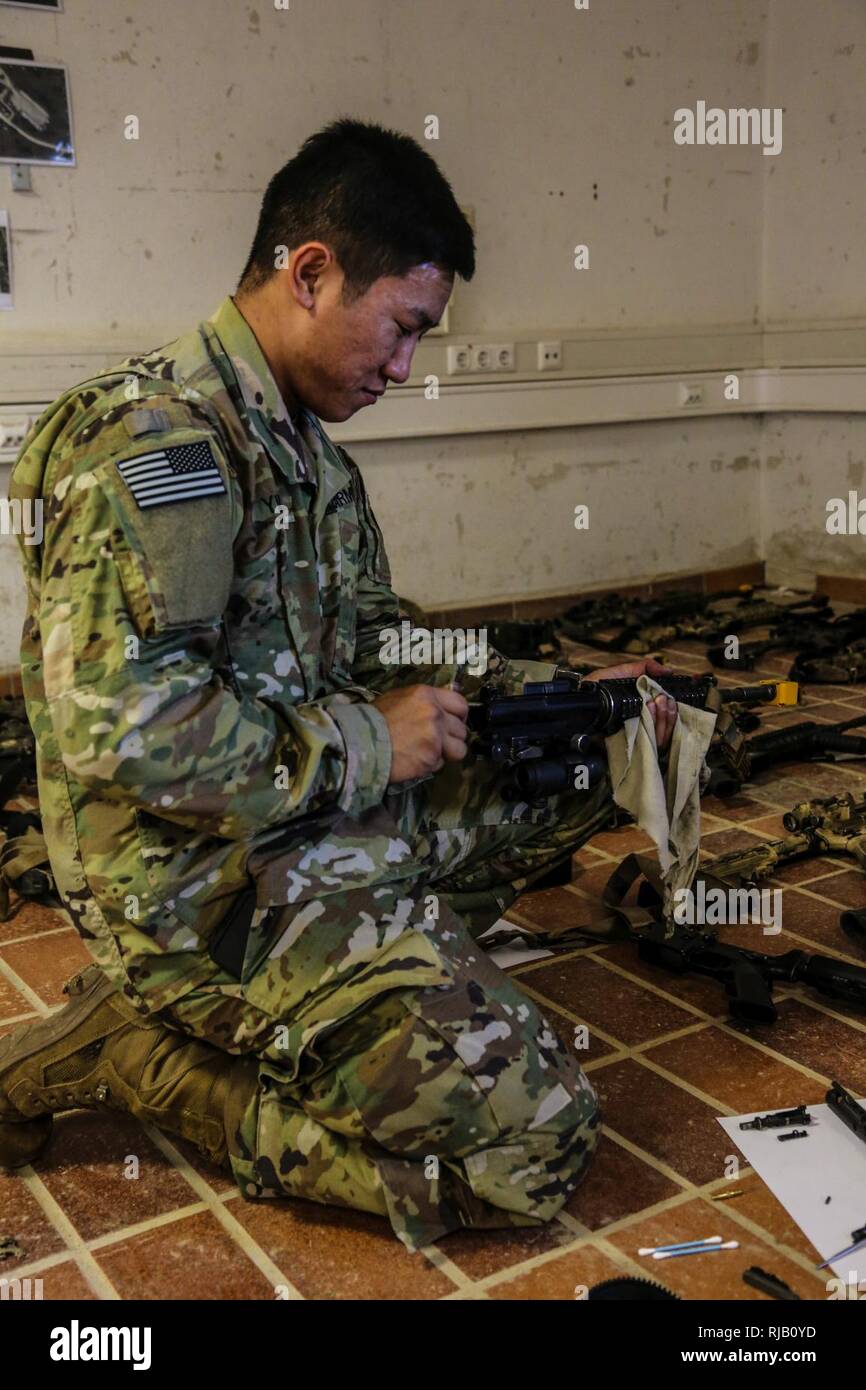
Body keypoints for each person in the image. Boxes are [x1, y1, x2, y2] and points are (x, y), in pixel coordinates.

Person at [0, 119, 677, 1251]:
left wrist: (559, 686)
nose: (405, 368)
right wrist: (370, 743)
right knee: (531, 1147)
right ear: (310, 272)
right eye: (402, 329)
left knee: (588, 754)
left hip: (307, 818)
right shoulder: (154, 448)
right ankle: (146, 1048)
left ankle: (372, 979)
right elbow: (125, 731)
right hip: (193, 889)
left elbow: (379, 642)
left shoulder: (312, 453)